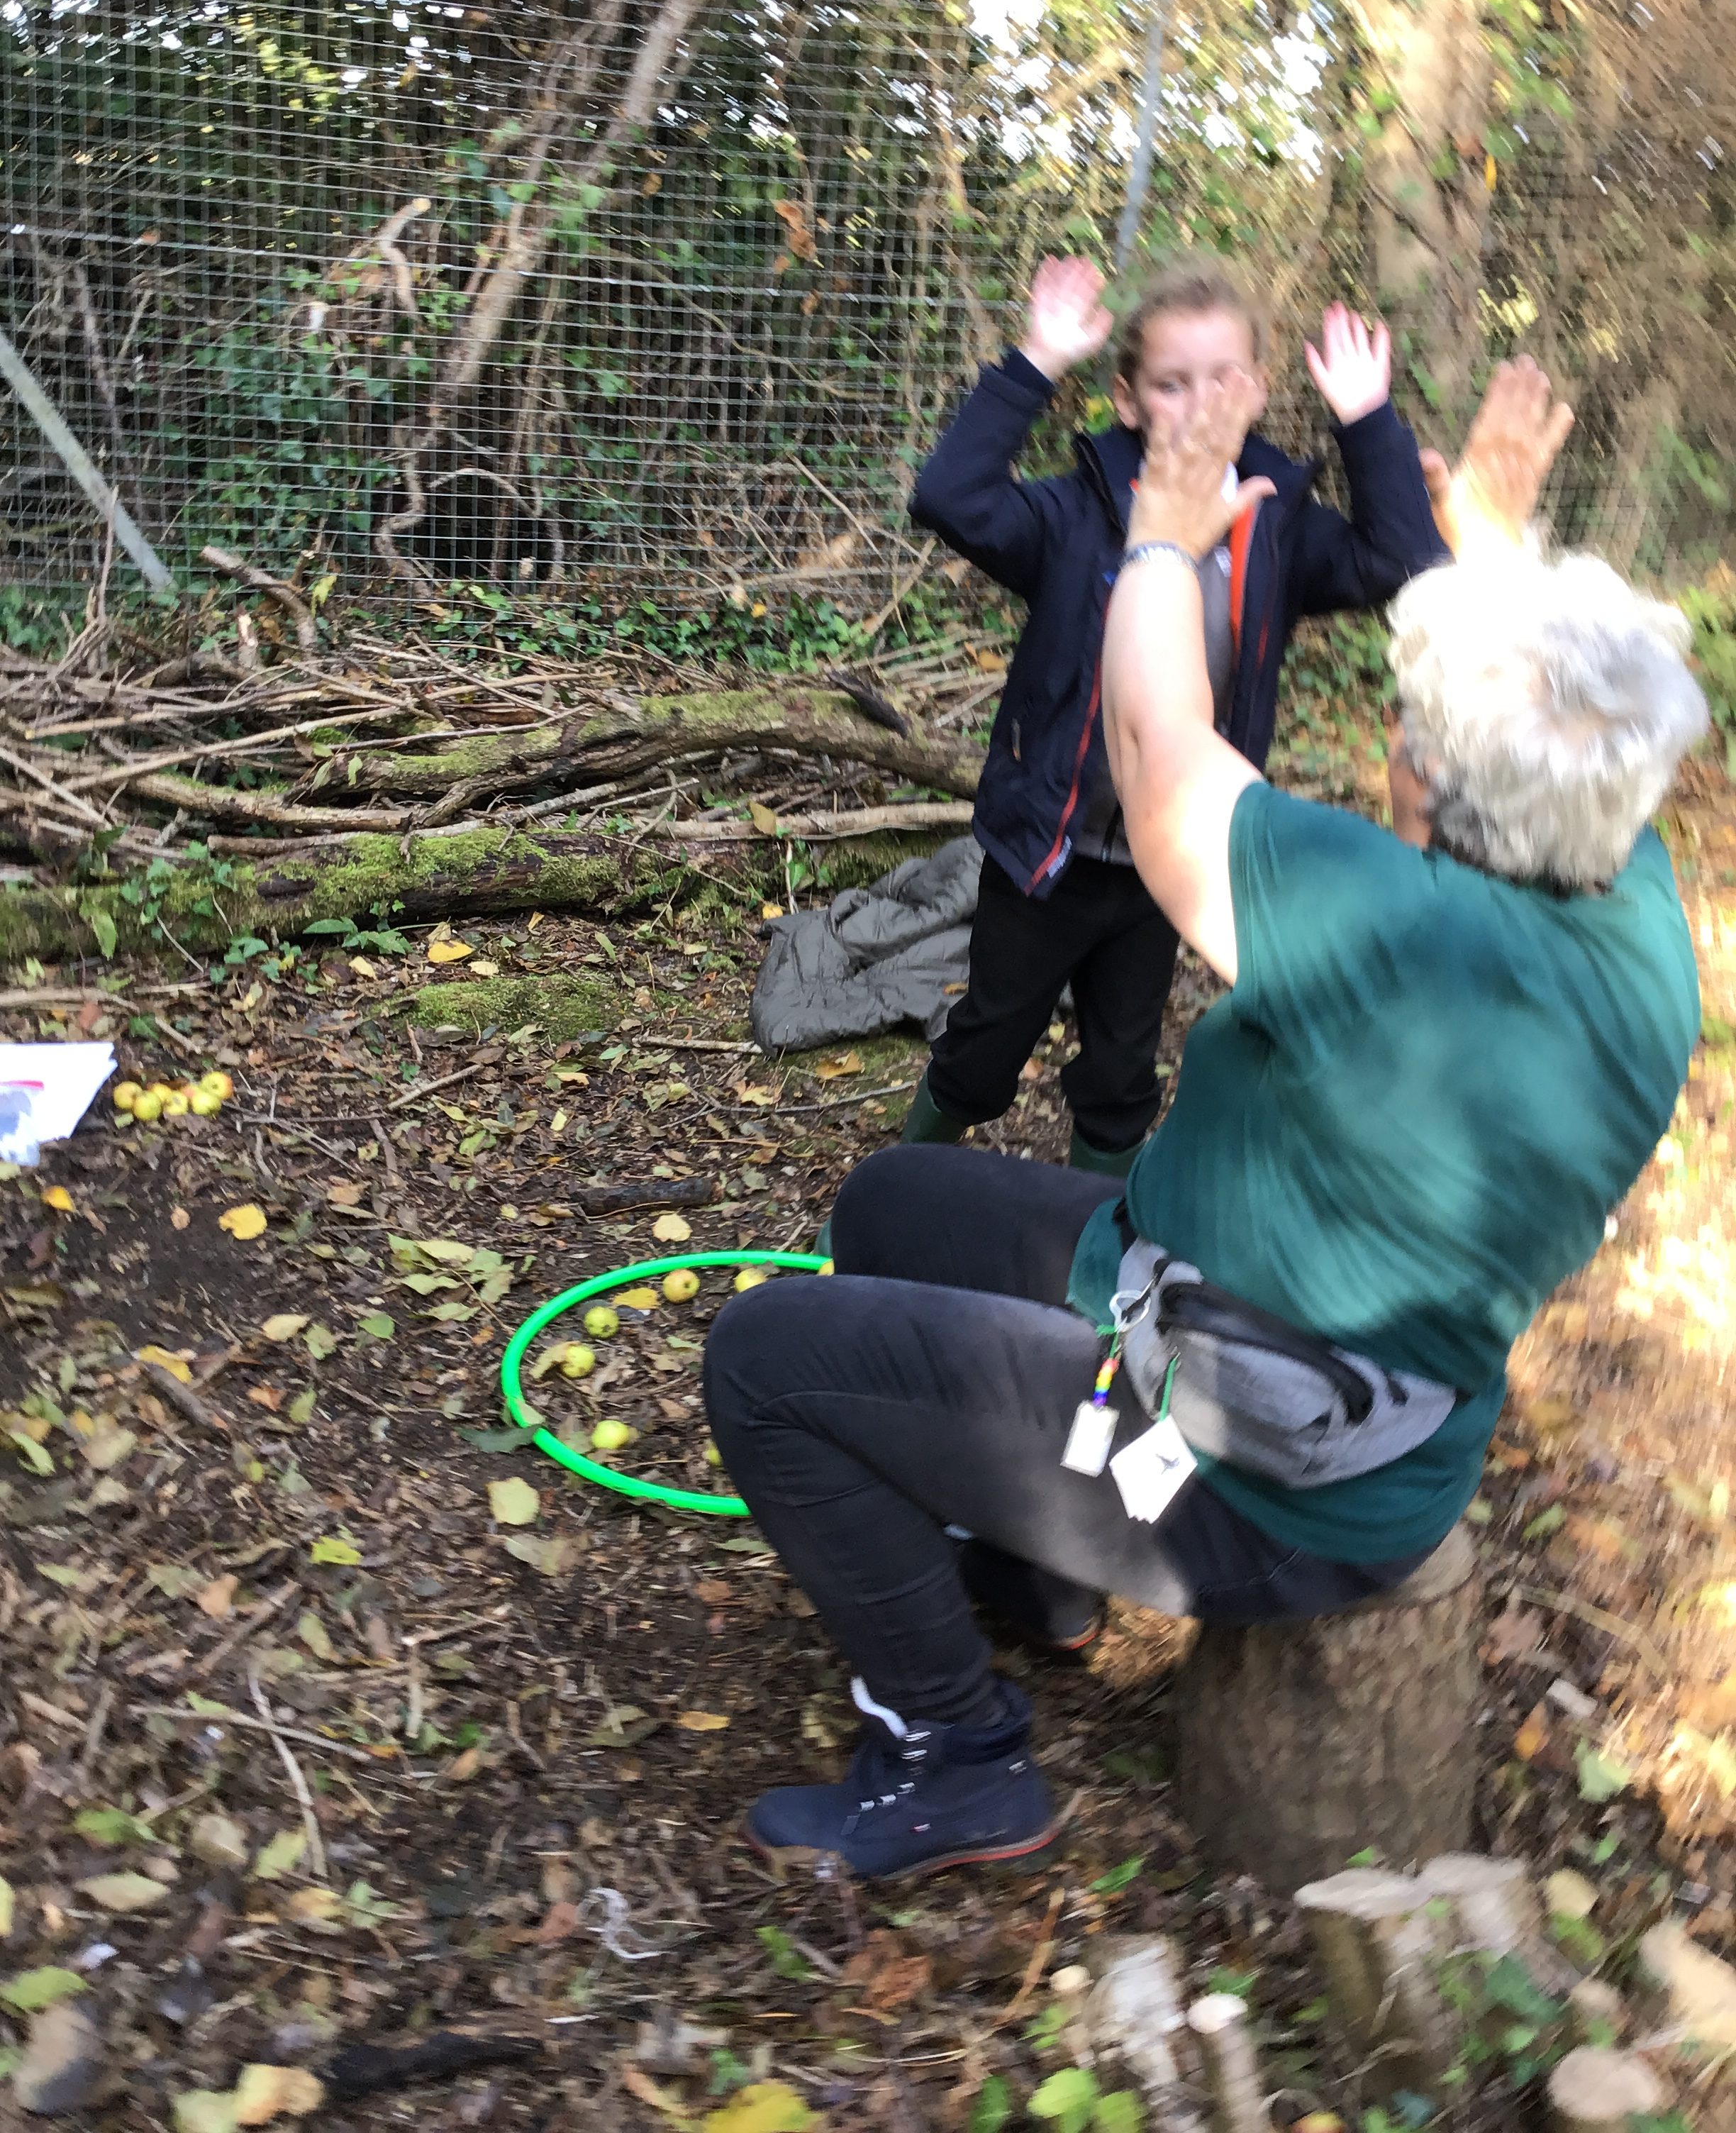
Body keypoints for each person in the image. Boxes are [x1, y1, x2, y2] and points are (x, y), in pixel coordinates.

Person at [702, 356, 1706, 1882]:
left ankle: (953, 1757)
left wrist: (1163, 537)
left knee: (766, 1362)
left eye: (1411, 732)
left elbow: (1160, 754)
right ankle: (1039, 1575)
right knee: (892, 1204)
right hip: (1204, 1307)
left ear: (1419, 782)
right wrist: (1492, 537)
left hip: (1245, 1475)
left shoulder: (1386, 923)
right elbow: (1560, 717)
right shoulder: (1627, 910)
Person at [896, 255, 1447, 1178]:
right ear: (1128, 400)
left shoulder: (1275, 524)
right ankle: (897, 1188)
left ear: (1260, 392)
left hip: (1172, 861)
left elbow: (1405, 562)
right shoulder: (1079, 513)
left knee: (1121, 1072)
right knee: (983, 1051)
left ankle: (1097, 1262)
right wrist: (1035, 358)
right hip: (1047, 852)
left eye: (1223, 381)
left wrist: (1367, 421)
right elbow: (950, 497)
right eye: (1170, 384)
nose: (1197, 406)